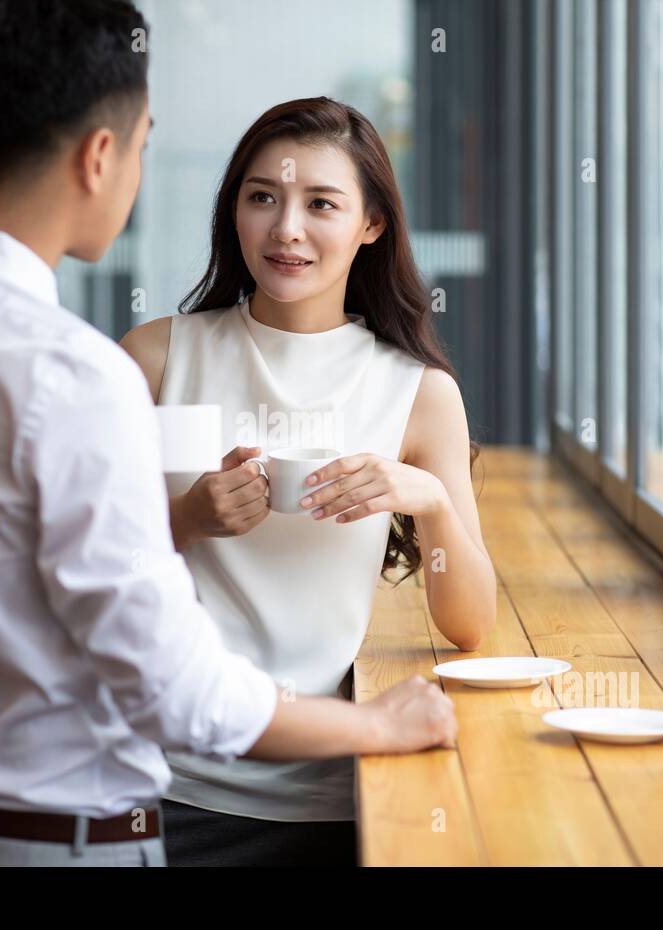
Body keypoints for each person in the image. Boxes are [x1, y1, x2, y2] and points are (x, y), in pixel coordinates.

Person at [0, 0, 455, 868]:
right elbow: (175, 687)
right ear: (100, 156)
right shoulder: (77, 375)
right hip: (57, 845)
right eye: (142, 145)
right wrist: (374, 725)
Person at [120, 97, 496, 866]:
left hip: (329, 794)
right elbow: (81, 566)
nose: (285, 229)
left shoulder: (419, 394)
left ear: (372, 224)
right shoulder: (157, 358)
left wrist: (428, 501)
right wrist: (187, 518)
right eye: (262, 198)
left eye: (321, 203)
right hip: (163, 784)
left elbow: (471, 625)